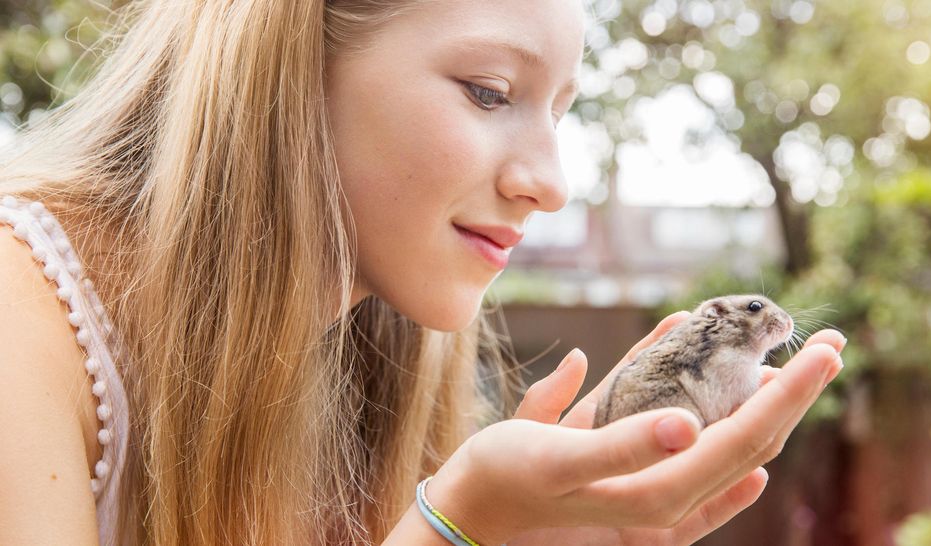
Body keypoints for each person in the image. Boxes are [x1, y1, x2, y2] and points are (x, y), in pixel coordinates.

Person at [0, 0, 846, 544]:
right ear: (289, 60)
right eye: (488, 91)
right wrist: (452, 529)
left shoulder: (378, 372)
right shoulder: (20, 320)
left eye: (560, 113)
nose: (551, 185)